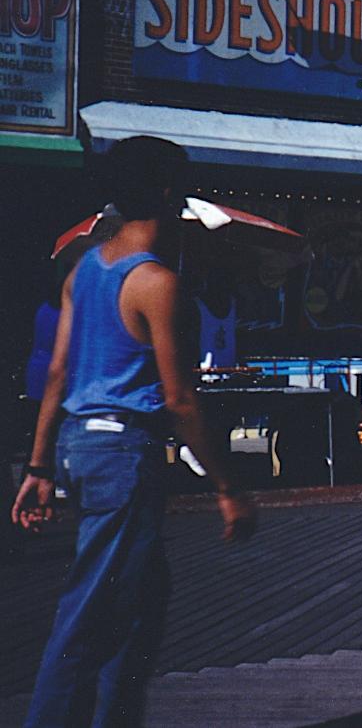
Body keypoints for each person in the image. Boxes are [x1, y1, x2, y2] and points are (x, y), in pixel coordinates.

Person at [12, 136, 258, 727]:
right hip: (123, 448)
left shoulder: (86, 270)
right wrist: (227, 485)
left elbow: (58, 370)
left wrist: (40, 466)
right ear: (170, 194)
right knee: (90, 611)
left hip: (79, 439)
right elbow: (180, 398)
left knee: (140, 605)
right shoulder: (157, 283)